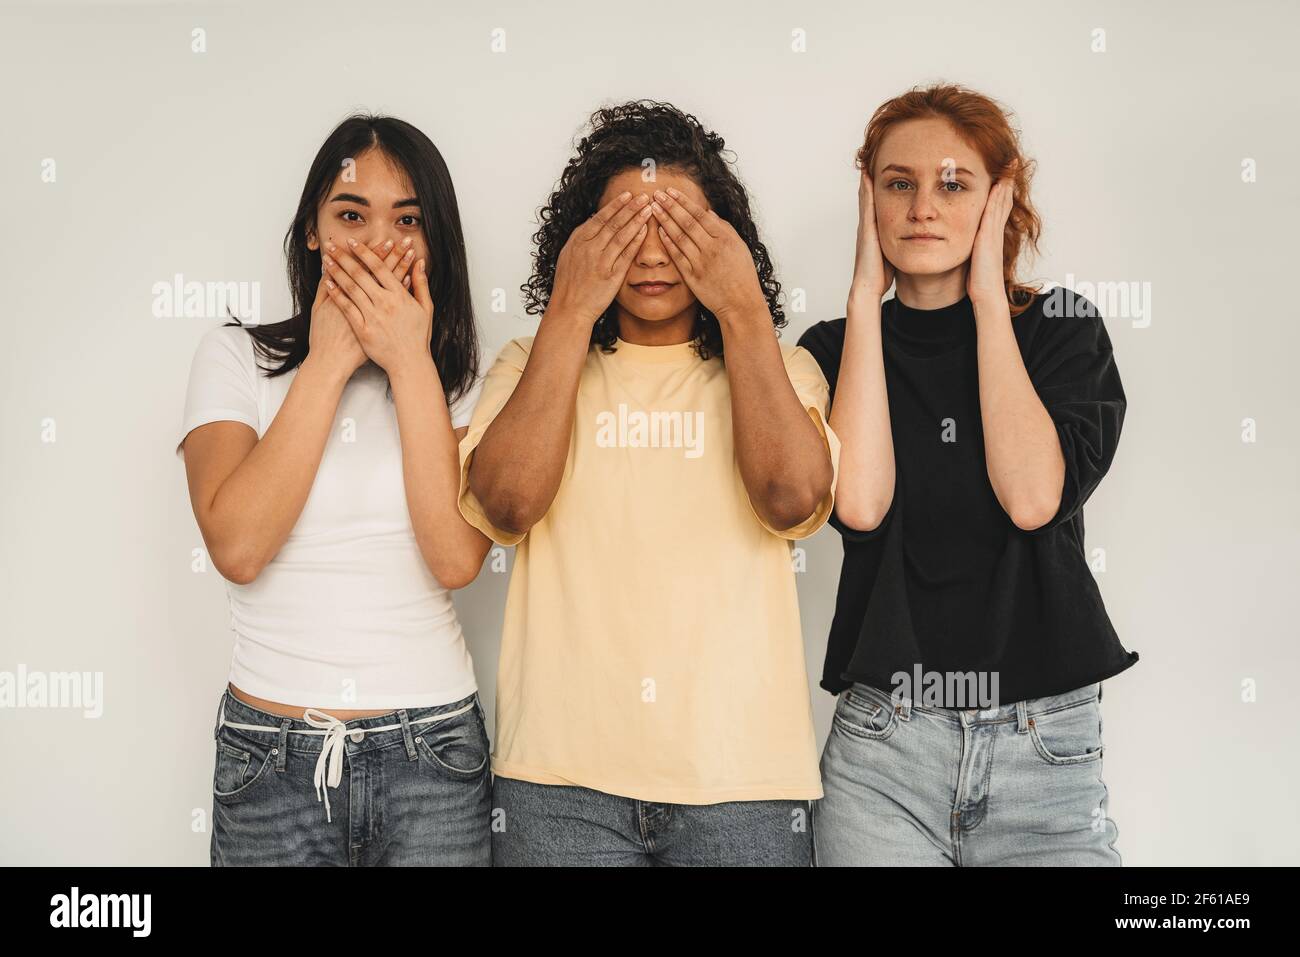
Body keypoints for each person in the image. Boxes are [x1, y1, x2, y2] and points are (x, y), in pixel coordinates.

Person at [460, 100, 840, 866]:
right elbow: (505, 505)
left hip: (743, 780)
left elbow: (793, 499)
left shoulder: (782, 369)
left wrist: (740, 306)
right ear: (579, 240)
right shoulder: (524, 365)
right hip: (558, 782)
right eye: (624, 228)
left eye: (679, 227)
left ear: (726, 239)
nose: (652, 251)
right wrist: (570, 308)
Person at [798, 84, 1138, 866]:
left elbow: (1030, 498)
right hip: (885, 749)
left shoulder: (1060, 330)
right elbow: (861, 500)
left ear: (1000, 202)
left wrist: (989, 298)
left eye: (954, 183)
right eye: (898, 183)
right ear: (869, 199)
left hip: (1043, 751)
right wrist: (862, 297)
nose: (924, 206)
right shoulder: (829, 349)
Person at [177, 114, 493, 866]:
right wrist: (326, 363)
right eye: (351, 214)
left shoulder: (469, 388)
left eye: (407, 220)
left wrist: (410, 362)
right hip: (269, 759)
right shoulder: (234, 357)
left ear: (433, 240)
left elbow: (455, 558)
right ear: (313, 231)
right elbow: (239, 544)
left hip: (433, 756)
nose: (378, 241)